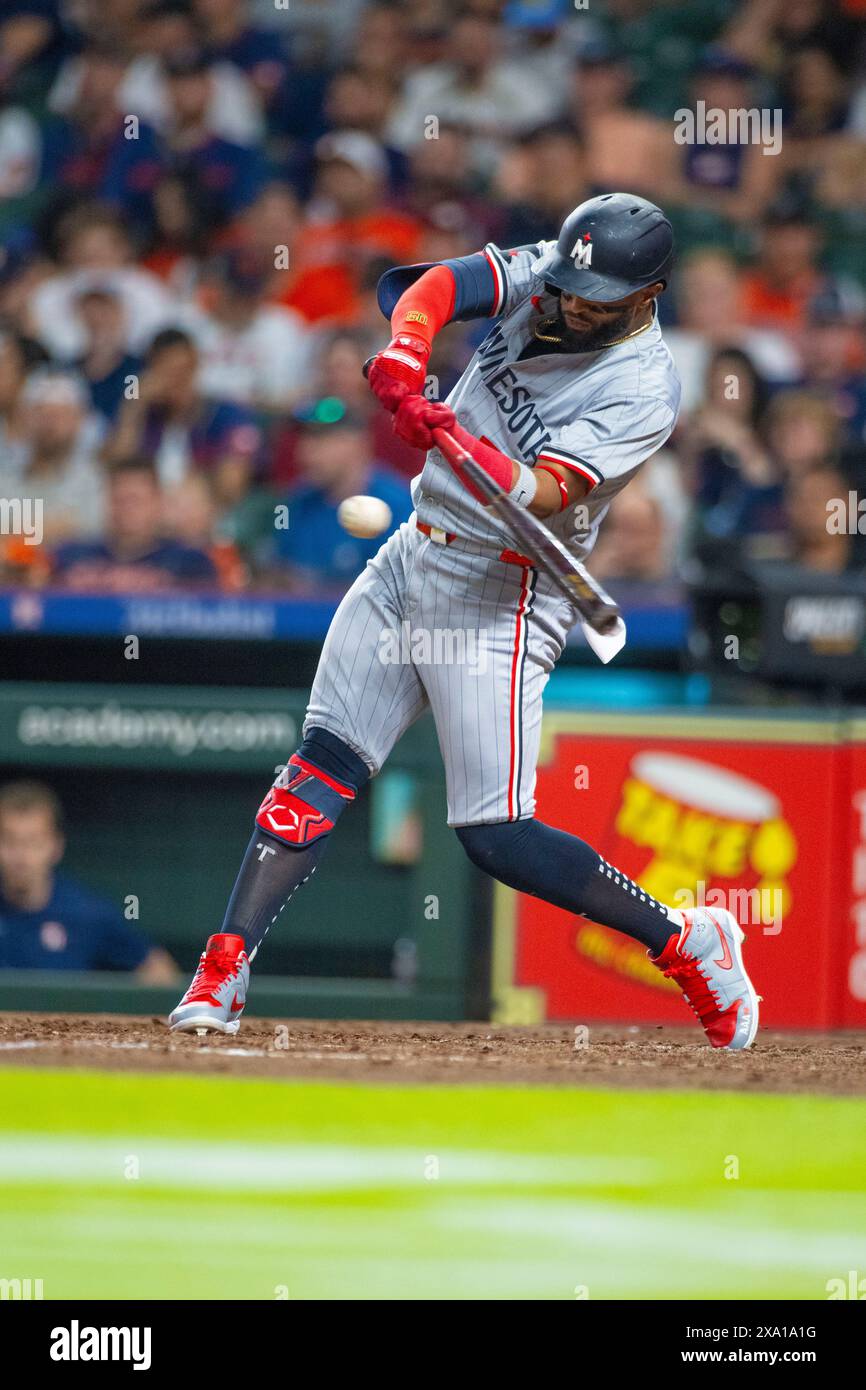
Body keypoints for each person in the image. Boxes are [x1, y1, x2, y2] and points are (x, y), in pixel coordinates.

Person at [170, 193, 759, 1052]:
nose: (565, 302)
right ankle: (223, 966)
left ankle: (685, 941)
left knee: (496, 836)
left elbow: (544, 492)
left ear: (647, 296)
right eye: (567, 283)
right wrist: (408, 358)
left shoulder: (644, 388)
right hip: (414, 552)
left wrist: (454, 435)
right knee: (320, 766)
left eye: (592, 295)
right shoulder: (554, 273)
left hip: (504, 588)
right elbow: (436, 287)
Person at [0, 780, 177, 979]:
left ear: (56, 846)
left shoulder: (88, 913)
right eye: (9, 841)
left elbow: (159, 971)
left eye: (34, 843)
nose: (21, 856)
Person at [264, 397, 412, 591]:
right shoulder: (296, 503)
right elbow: (277, 577)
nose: (305, 451)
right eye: (303, 439)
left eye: (320, 439)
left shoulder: (399, 506)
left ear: (357, 443)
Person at [52, 455, 218, 591]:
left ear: (158, 502)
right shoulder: (71, 556)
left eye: (135, 500)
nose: (126, 509)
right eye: (118, 500)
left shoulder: (189, 563)